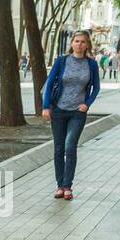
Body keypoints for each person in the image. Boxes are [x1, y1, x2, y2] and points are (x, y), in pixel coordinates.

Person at [42, 28, 100, 200]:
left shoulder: (91, 64)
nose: (79, 44)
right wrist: (46, 107)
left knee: (70, 146)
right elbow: (49, 83)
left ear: (87, 44)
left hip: (77, 112)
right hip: (58, 110)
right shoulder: (61, 61)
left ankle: (68, 186)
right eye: (77, 41)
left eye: (83, 41)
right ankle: (60, 186)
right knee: (59, 148)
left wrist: (87, 104)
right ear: (72, 43)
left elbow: (96, 87)